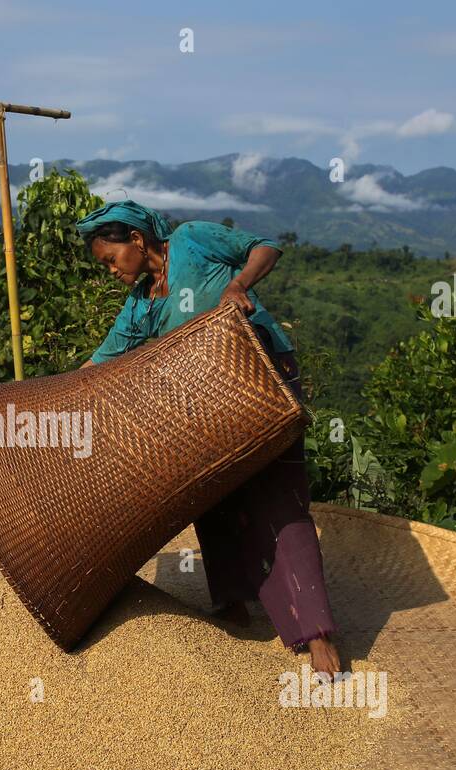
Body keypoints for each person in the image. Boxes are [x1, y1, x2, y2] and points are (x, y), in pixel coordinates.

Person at [74, 199, 341, 678]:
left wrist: (238, 285)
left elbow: (265, 247)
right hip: (209, 404)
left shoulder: (193, 239)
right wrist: (37, 401)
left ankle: (319, 636)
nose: (111, 271)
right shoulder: (140, 305)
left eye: (111, 260)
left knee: (277, 498)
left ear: (136, 239)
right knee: (211, 497)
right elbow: (97, 363)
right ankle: (235, 601)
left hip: (263, 379)